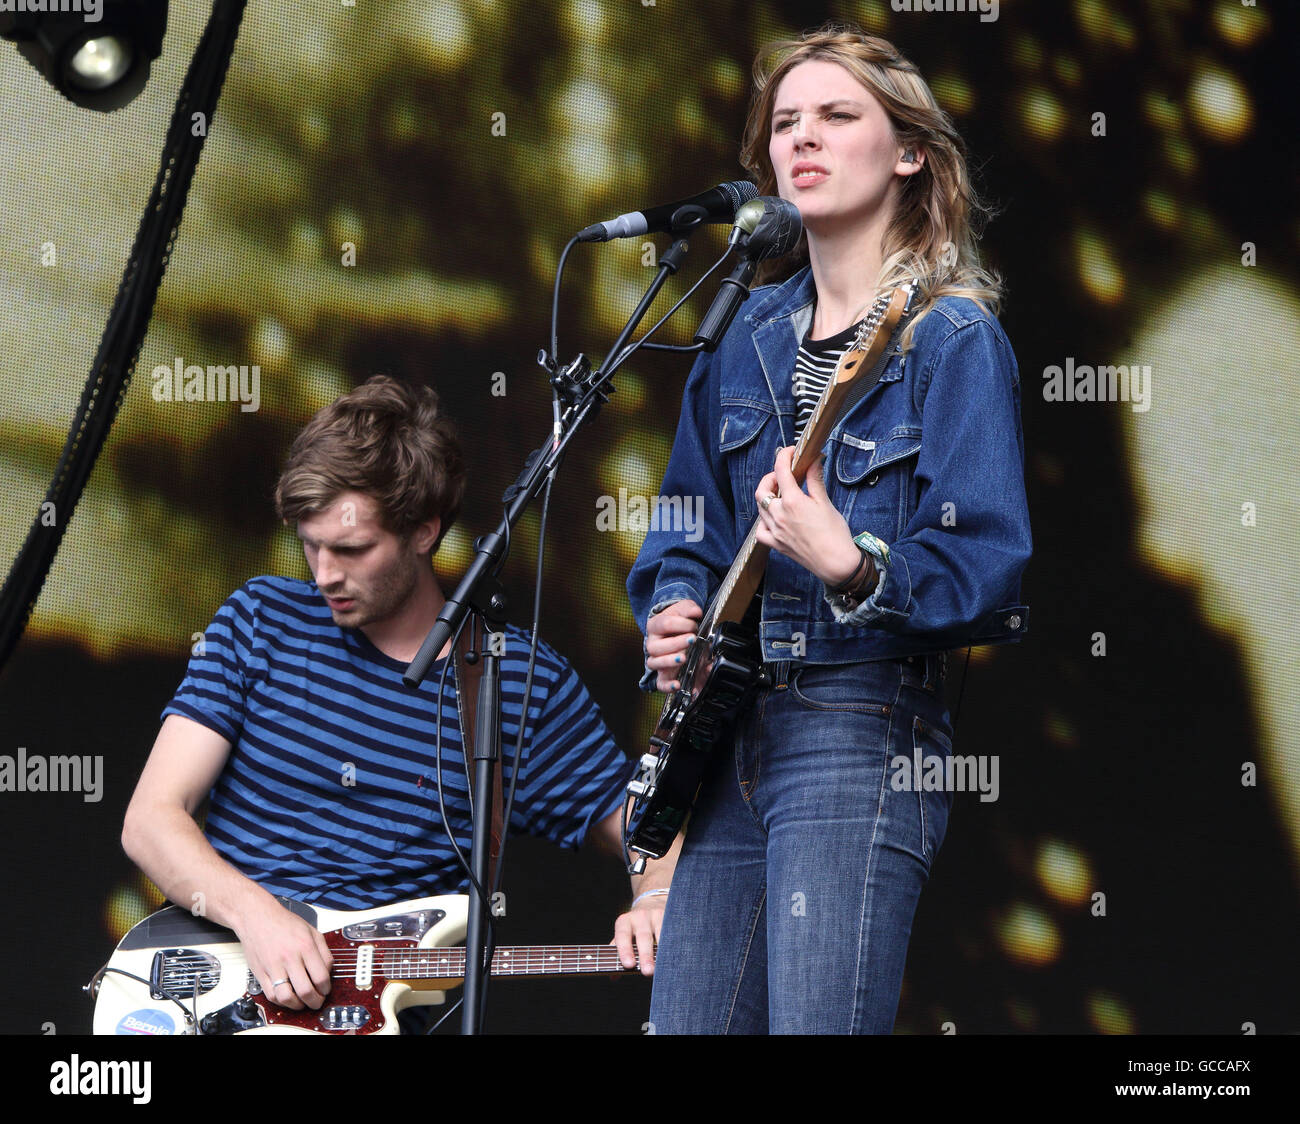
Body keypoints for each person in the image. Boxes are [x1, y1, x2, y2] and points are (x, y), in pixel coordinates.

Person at [627, 25, 1032, 1034]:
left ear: (908, 152)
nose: (800, 138)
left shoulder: (951, 336)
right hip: (726, 735)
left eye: (836, 115)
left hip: (857, 731)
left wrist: (851, 563)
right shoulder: (742, 335)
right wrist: (672, 600)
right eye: (783, 123)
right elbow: (684, 515)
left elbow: (987, 562)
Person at [122, 375, 672, 1026]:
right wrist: (258, 917)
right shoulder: (259, 620)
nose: (325, 573)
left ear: (424, 531)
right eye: (311, 543)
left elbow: (648, 826)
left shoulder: (515, 681)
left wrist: (655, 899)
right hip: (218, 996)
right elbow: (151, 819)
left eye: (352, 549)